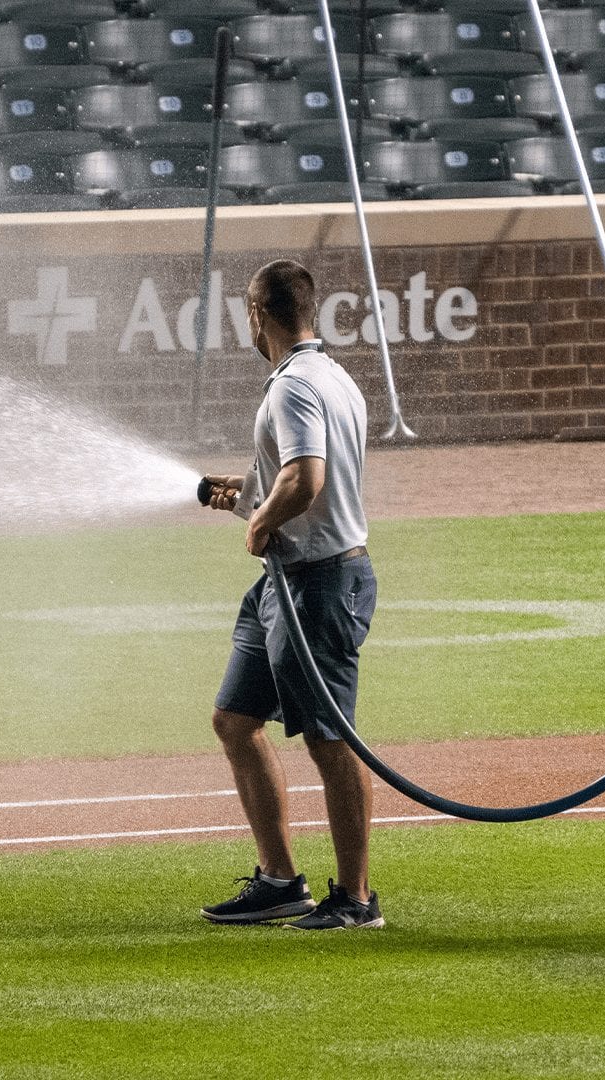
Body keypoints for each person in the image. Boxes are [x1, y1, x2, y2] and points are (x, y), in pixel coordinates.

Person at [196, 259, 383, 931]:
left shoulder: (294, 389)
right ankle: (279, 881)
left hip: (319, 584)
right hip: (288, 582)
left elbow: (306, 479)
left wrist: (264, 518)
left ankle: (356, 900)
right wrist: (246, 494)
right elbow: (287, 474)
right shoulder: (330, 378)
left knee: (332, 742)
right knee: (235, 720)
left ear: (257, 315)